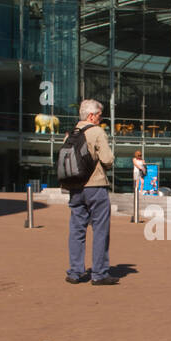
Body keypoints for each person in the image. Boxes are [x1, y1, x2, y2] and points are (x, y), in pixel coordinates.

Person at [65, 99, 118, 285]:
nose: (100, 118)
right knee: (100, 230)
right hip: (95, 185)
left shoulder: (71, 134)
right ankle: (99, 273)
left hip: (75, 186)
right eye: (99, 115)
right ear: (91, 116)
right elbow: (108, 159)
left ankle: (75, 272)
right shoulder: (96, 132)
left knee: (77, 230)